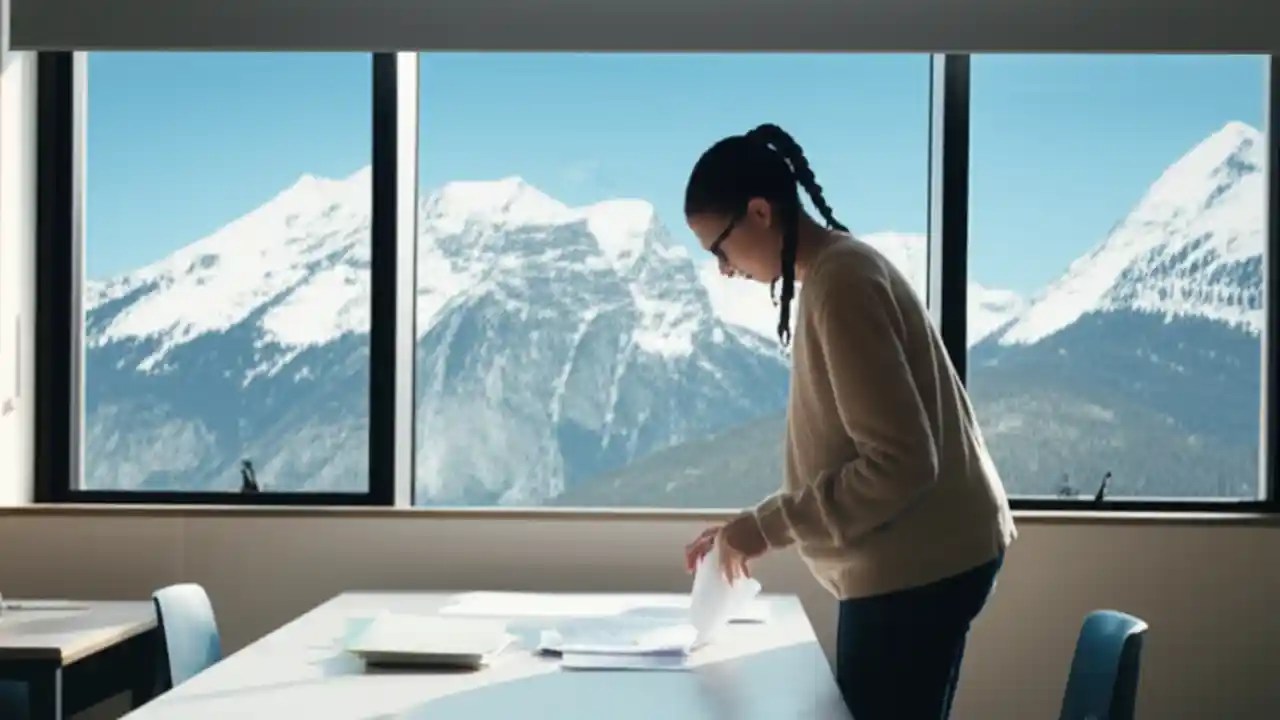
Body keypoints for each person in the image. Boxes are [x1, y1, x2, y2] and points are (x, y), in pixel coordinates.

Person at [681, 124, 1016, 720]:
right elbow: (859, 452)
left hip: (916, 569)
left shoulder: (843, 284)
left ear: (760, 212)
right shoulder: (839, 274)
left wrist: (765, 528)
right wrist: (748, 525)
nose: (724, 270)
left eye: (719, 249)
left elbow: (900, 464)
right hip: (926, 559)